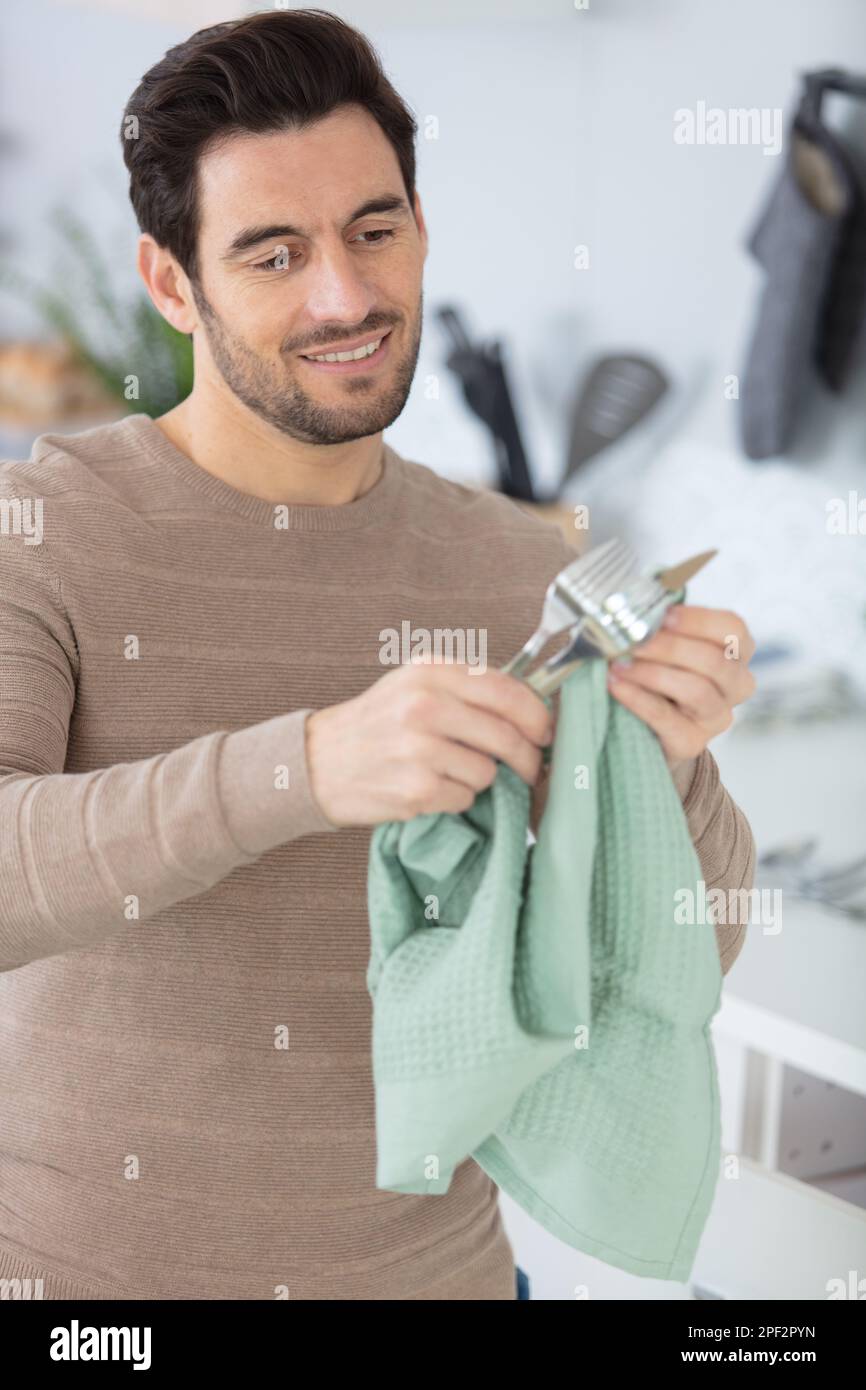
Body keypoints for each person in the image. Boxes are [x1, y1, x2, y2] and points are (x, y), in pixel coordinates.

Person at [0, 9, 756, 1301]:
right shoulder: (46, 527)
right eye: (273, 253)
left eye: (372, 229)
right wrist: (302, 764)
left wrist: (671, 771)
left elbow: (695, 938)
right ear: (172, 283)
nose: (344, 296)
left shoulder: (516, 560)